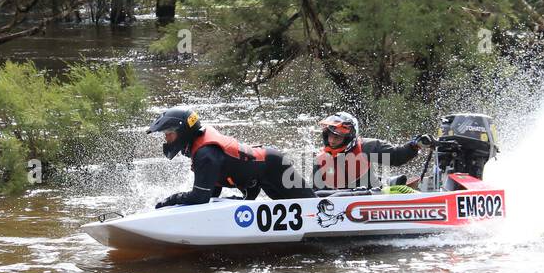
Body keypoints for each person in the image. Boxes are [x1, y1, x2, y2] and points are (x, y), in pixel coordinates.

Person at [148, 107, 314, 208]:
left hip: (274, 166)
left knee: (312, 205)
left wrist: (171, 200)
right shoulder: (199, 147)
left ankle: (338, 199)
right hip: (254, 179)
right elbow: (211, 190)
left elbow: (200, 197)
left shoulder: (206, 154)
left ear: (183, 132)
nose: (166, 139)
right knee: (294, 203)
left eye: (169, 134)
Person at [312, 111, 422, 190]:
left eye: (337, 137)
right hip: (339, 207)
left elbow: (398, 156)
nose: (331, 141)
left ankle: (389, 182)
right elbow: (314, 194)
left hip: (372, 196)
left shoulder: (367, 147)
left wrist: (414, 145)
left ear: (349, 137)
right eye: (329, 136)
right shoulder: (320, 160)